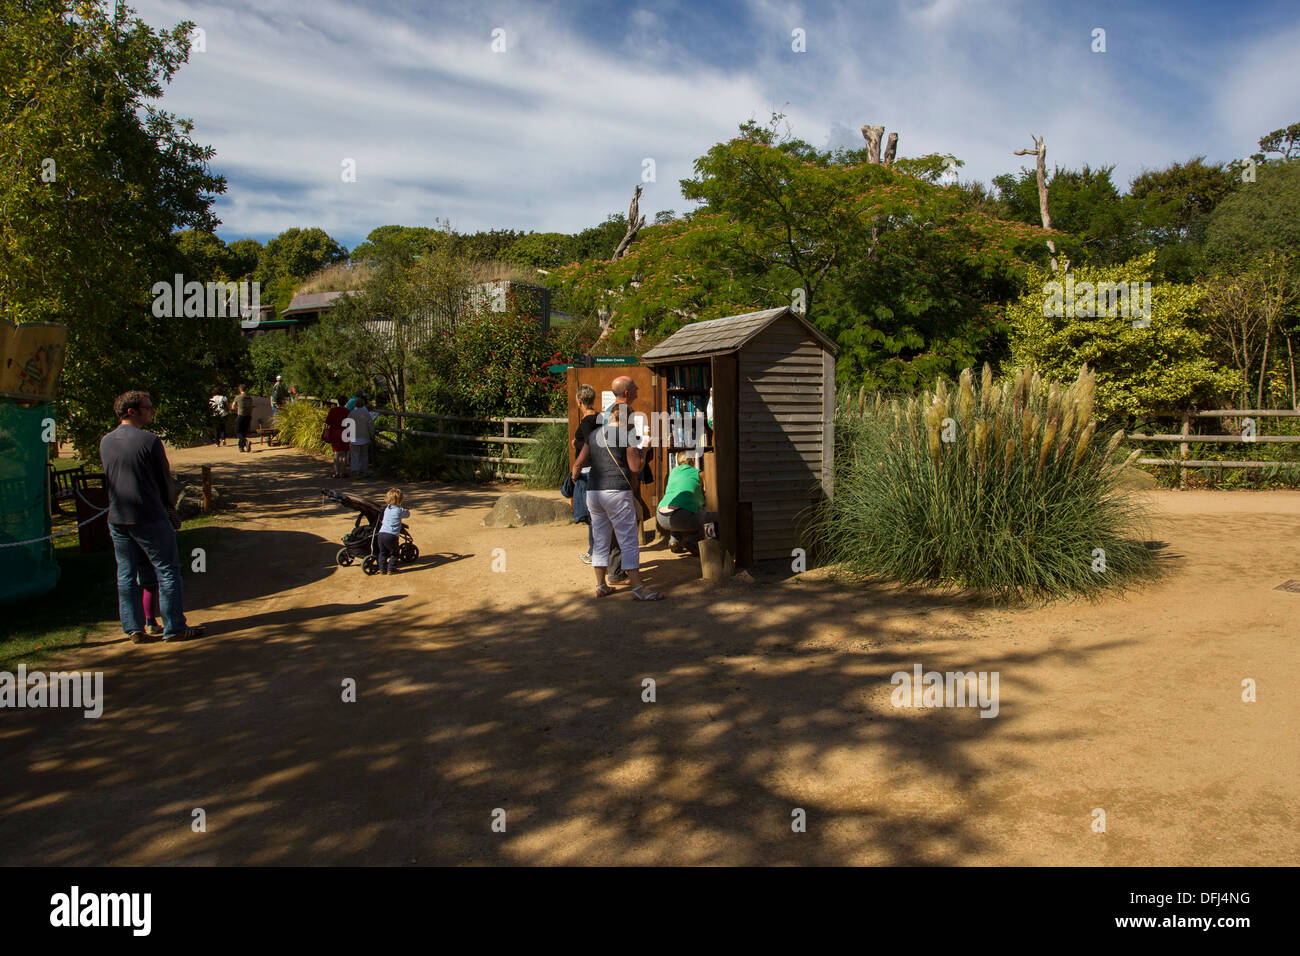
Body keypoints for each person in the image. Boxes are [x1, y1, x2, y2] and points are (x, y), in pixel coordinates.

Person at [99, 390, 203, 643]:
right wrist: (170, 506)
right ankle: (174, 627)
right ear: (131, 411)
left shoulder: (105, 441)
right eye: (148, 407)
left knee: (126, 573)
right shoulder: (149, 441)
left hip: (118, 517)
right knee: (167, 571)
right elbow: (164, 479)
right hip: (149, 515)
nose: (152, 411)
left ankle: (133, 628)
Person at [570, 375, 663, 600]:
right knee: (628, 538)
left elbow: (578, 464)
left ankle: (601, 585)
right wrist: (645, 450)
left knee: (601, 538)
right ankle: (639, 589)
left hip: (594, 491)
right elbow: (635, 465)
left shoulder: (593, 435)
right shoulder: (627, 435)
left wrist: (575, 481)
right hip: (616, 491)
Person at [572, 384, 626, 581]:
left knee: (593, 517)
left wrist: (574, 443)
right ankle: (609, 564)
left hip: (589, 472)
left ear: (579, 401)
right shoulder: (602, 418)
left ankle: (595, 553)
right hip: (605, 472)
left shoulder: (587, 421)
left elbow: (591, 443)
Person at [657, 452, 712, 554]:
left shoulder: (672, 473)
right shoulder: (699, 473)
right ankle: (693, 540)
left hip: (661, 516)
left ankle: (675, 541)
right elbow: (707, 492)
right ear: (693, 461)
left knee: (677, 508)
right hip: (682, 517)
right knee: (710, 516)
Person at [377, 488, 410, 575]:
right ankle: (391, 568)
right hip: (391, 535)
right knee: (395, 552)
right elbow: (407, 515)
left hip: (381, 534)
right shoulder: (399, 510)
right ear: (400, 500)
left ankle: (382, 569)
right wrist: (407, 510)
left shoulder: (387, 509)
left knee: (382, 553)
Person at [346, 394, 374, 478]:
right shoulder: (366, 414)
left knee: (355, 455)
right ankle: (365, 471)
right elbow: (370, 425)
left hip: (354, 438)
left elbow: (347, 424)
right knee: (364, 455)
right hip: (365, 437)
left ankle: (356, 471)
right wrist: (372, 434)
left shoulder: (352, 413)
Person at [324, 395, 350, 479]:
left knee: (336, 452)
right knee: (344, 453)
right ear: (345, 402)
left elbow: (328, 421)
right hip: (345, 432)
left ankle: (337, 472)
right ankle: (343, 471)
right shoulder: (347, 411)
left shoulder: (333, 410)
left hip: (335, 432)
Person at [233, 383, 254, 452]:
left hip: (241, 415)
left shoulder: (238, 397)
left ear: (239, 389)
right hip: (248, 416)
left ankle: (245, 442)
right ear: (246, 389)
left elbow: (233, 407)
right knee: (243, 432)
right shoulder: (249, 398)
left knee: (237, 431)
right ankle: (241, 447)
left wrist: (237, 408)